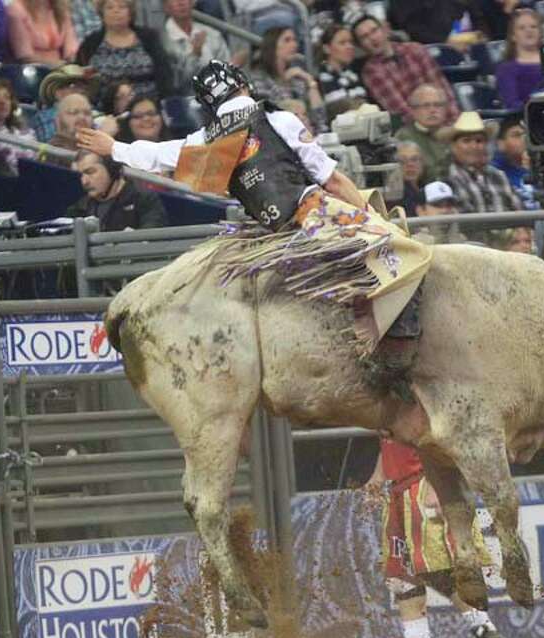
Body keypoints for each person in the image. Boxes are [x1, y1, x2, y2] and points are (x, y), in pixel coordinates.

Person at [76, 60, 433, 398]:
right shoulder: (280, 120)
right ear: (243, 84)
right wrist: (372, 217)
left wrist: (115, 148)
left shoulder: (207, 138)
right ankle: (392, 352)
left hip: (270, 231)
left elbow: (161, 155)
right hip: (313, 216)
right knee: (403, 251)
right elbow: (334, 180)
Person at [366, 438, 508, 638]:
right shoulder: (386, 416)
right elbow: (389, 441)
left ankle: (488, 633)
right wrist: (378, 476)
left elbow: (440, 437)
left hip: (425, 484)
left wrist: (437, 485)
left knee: (439, 570)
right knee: (403, 578)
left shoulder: (418, 412)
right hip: (398, 491)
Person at [352, 14, 460, 125]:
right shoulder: (371, 72)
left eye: (374, 31)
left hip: (447, 121)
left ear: (385, 30)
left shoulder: (415, 50)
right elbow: (401, 112)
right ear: (360, 46)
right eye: (365, 37)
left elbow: (442, 90)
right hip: (415, 129)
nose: (373, 38)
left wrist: (455, 122)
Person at [77, 0, 172, 109]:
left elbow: (165, 76)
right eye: (110, 7)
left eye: (122, 7)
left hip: (149, 107)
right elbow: (80, 77)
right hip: (105, 108)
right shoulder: (90, 43)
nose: (116, 11)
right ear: (102, 14)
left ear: (130, 12)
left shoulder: (148, 38)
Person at [246, 26, 326, 133]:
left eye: (294, 40)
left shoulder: (297, 78)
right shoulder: (258, 78)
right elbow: (268, 114)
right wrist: (283, 84)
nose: (294, 45)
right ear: (272, 46)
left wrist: (310, 82)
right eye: (287, 40)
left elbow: (320, 120)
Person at [443, 110, 521, 216]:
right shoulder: (446, 179)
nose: (474, 146)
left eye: (479, 141)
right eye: (466, 141)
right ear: (453, 146)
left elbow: (520, 212)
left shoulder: (499, 176)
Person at [68, 149, 166, 231]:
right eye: (81, 175)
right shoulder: (79, 209)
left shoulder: (144, 200)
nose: (84, 181)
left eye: (90, 172)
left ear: (112, 170)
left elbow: (152, 236)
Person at [161, 0, 234, 93]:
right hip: (184, 98)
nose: (181, 3)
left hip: (219, 93)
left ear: (192, 3)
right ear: (165, 7)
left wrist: (230, 66)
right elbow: (175, 82)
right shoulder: (162, 41)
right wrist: (195, 54)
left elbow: (225, 65)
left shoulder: (211, 33)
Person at [394, 83, 451, 183]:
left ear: (445, 109)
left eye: (437, 105)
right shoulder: (404, 137)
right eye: (426, 106)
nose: (433, 110)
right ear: (413, 111)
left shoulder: (453, 134)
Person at [495, 8, 544, 112]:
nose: (529, 30)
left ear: (540, 32)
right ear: (513, 36)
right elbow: (512, 104)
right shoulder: (506, 69)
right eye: (522, 28)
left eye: (533, 27)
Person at [316, 23, 369, 120]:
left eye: (350, 42)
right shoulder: (319, 78)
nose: (349, 47)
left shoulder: (355, 73)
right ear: (327, 48)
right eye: (342, 43)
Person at [30, 63, 92, 143]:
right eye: (73, 86)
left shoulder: (93, 114)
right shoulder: (45, 117)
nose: (81, 90)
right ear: (57, 92)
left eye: (82, 86)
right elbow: (51, 147)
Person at [6, 0, 77, 67]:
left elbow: (71, 50)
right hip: (34, 71)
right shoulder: (16, 10)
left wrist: (73, 62)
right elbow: (25, 57)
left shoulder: (61, 8)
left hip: (62, 71)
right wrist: (60, 65)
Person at [411, 180, 466, 245]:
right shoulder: (410, 242)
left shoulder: (462, 241)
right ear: (421, 211)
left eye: (450, 204)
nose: (445, 210)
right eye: (438, 204)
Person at [490, 114, 531, 197]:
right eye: (517, 135)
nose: (524, 139)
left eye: (527, 134)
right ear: (501, 144)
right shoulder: (493, 174)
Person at [48, 91, 92, 155]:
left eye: (87, 113)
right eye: (73, 112)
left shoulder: (97, 145)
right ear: (59, 120)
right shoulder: (52, 149)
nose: (82, 117)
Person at [396, 140, 425, 217]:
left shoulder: (428, 187)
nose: (410, 164)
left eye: (414, 159)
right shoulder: (395, 195)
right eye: (402, 161)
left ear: (422, 162)